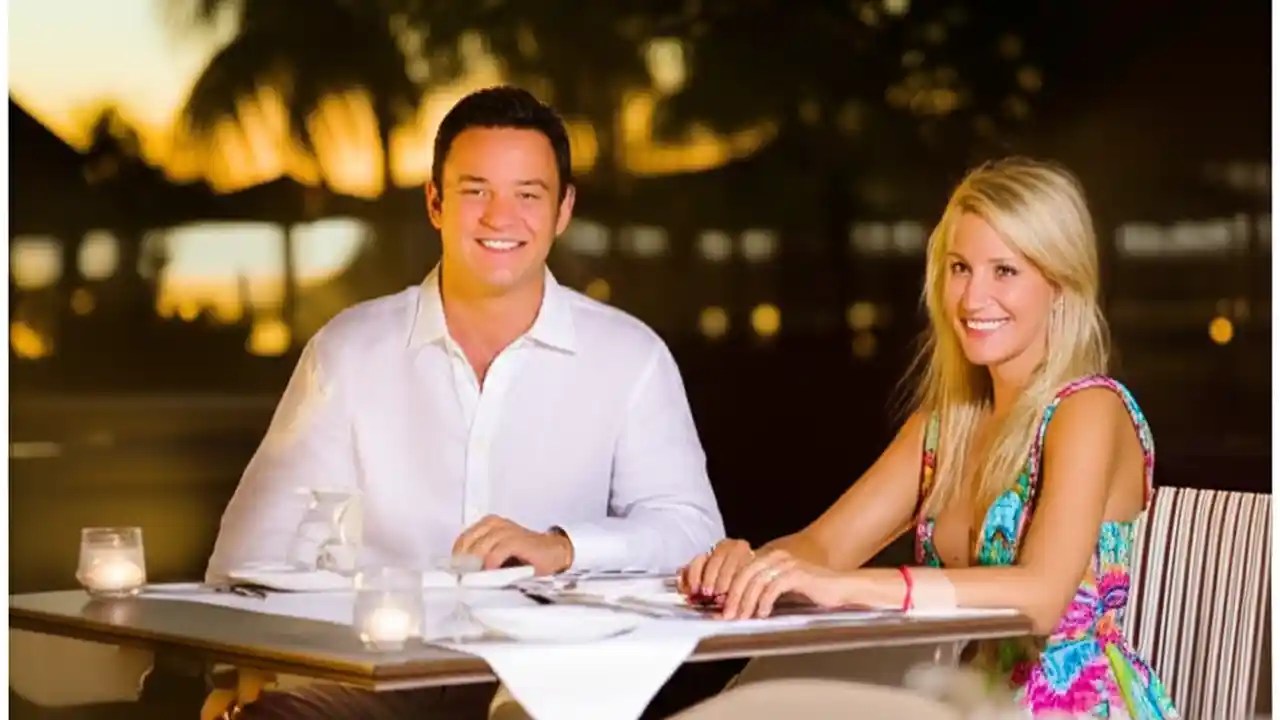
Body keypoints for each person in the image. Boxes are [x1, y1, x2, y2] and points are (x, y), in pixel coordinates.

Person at [206, 84, 725, 719]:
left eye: (527, 195)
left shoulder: (629, 357)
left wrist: (564, 546)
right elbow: (253, 552)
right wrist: (245, 664)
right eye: (475, 191)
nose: (499, 218)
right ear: (435, 202)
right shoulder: (350, 350)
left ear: (563, 210)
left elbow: (691, 532)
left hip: (551, 684)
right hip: (373, 677)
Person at [678, 157, 1178, 719]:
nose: (972, 298)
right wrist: (748, 566)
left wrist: (848, 587)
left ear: (1059, 285)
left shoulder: (1089, 407)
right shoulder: (948, 425)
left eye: (1005, 271)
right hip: (960, 700)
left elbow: (1041, 599)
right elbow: (823, 548)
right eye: (960, 268)